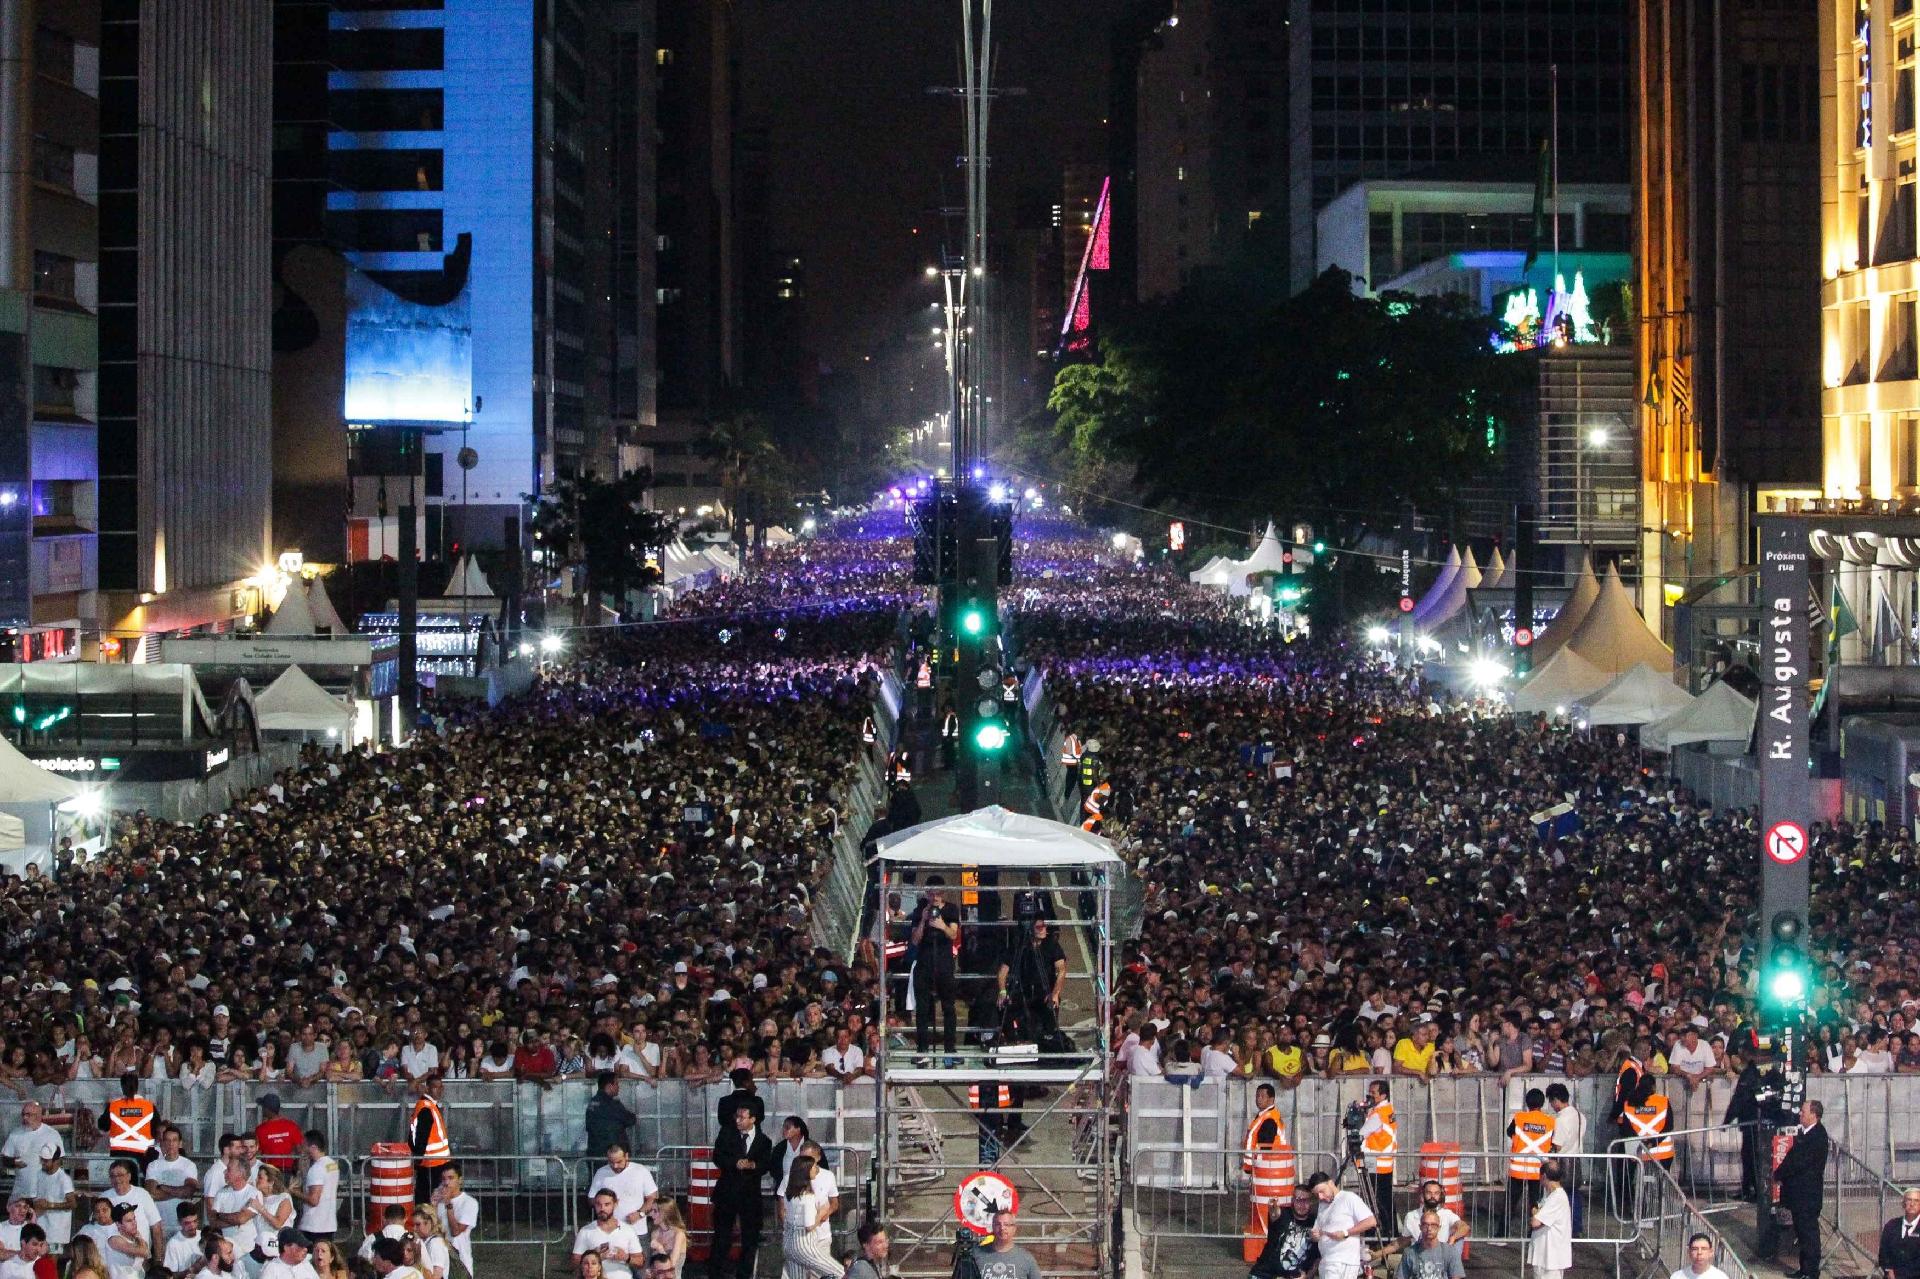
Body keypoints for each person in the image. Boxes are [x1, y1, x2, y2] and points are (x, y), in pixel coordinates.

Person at [710, 1098, 773, 1279]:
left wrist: (753, 1165)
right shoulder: (726, 1134)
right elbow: (717, 1157)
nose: (738, 1120)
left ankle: (744, 1275)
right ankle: (715, 1273)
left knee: (750, 1240)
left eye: (742, 1117)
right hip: (727, 1193)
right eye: (736, 1117)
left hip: (750, 1197)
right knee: (721, 1237)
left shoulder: (764, 1141)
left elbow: (765, 1164)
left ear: (753, 1119)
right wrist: (734, 1163)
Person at [1774, 1099, 1829, 1279]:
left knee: (1809, 1235)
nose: (1800, 1114)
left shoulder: (1817, 1136)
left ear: (1814, 1115)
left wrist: (1780, 1174)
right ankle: (1804, 1269)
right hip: (1799, 1196)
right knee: (1802, 1234)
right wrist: (1779, 1173)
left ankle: (1811, 1272)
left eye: (1803, 1111)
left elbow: (1799, 1162)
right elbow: (1792, 1157)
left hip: (1808, 1196)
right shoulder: (1805, 1133)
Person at [1241, 1083, 1296, 1264]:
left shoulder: (1269, 1119)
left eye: (1262, 1096)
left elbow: (1264, 1146)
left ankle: (1272, 1248)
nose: (1258, 1099)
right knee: (1264, 1213)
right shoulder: (1265, 1116)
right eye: (1257, 1096)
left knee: (1269, 1214)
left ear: (1271, 1099)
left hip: (1268, 1173)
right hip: (1265, 1173)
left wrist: (1251, 1165)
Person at [911, 880, 961, 1062]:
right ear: (927, 894)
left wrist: (942, 925)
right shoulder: (920, 910)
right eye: (931, 894)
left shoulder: (951, 909)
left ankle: (950, 1050)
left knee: (948, 1007)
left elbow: (953, 934)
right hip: (924, 964)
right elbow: (915, 940)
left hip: (944, 964)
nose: (935, 897)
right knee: (922, 1009)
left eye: (938, 893)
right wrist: (923, 920)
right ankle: (922, 1050)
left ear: (943, 893)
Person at [776, 1156, 841, 1279]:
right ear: (805, 1171)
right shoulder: (808, 1197)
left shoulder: (789, 1194)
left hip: (789, 1244)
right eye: (814, 1167)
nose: (817, 1169)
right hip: (804, 1246)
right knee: (840, 1273)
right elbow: (809, 1226)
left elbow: (786, 1216)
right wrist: (821, 1213)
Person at [587, 1143, 657, 1256]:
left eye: (619, 1162)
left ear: (626, 1156)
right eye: (611, 1162)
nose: (615, 1166)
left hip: (637, 1231)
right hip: (609, 1233)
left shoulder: (641, 1171)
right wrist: (604, 1209)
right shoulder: (601, 1173)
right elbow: (592, 1199)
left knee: (639, 1265)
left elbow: (652, 1198)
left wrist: (640, 1214)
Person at [1308, 1173, 1376, 1279]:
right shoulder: (1322, 1205)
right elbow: (1316, 1231)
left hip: (1345, 1261)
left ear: (1331, 1183)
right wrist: (1314, 1235)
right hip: (1327, 1260)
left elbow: (1371, 1221)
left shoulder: (1349, 1198)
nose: (1320, 1196)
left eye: (1322, 1191)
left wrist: (1346, 1233)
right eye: (1317, 1194)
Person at [1507, 1087, 1554, 1231]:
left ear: (1527, 1103)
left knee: (1510, 1203)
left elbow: (1509, 1132)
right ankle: (1533, 1234)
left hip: (1517, 1170)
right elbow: (1552, 1141)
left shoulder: (1519, 1118)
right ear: (1542, 1103)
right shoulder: (1550, 1121)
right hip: (1538, 1170)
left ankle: (1502, 1233)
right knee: (1535, 1204)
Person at [1249, 1186, 1318, 1279]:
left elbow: (1317, 1257)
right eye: (1298, 1200)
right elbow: (1275, 1213)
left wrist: (1307, 1276)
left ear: (1311, 1202)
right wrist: (1273, 1206)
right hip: (1264, 1274)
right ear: (1292, 1200)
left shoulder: (1315, 1223)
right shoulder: (1283, 1214)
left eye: (1305, 1200)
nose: (1302, 1204)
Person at [147, 1125, 202, 1238]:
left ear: (180, 1143)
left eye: (174, 1140)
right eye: (167, 1140)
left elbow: (188, 1191)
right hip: (160, 1225)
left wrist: (163, 1187)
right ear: (162, 1143)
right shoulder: (153, 1166)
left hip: (183, 1226)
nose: (171, 1144)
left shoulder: (189, 1165)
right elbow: (152, 1193)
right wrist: (179, 1191)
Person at [573, 1191, 642, 1279]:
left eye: (607, 1204)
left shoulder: (628, 1230)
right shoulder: (585, 1231)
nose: (602, 1208)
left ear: (615, 1204)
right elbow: (574, 1262)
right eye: (598, 1204)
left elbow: (640, 1262)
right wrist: (596, 1257)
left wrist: (626, 1257)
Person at [1360, 1080, 1397, 1230]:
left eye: (1373, 1093)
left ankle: (1380, 1232)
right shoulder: (1388, 1109)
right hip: (1384, 1163)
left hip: (1375, 1163)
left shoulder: (1378, 1114)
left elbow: (1362, 1133)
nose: (1369, 1095)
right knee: (1386, 1201)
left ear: (1383, 1095)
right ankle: (1391, 1231)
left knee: (1375, 1202)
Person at [409, 1077, 451, 1206]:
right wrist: (417, 1161)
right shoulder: (426, 1108)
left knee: (430, 1199)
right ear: (427, 1088)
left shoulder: (429, 1106)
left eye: (441, 1087)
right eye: (435, 1087)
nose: (439, 1090)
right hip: (430, 1163)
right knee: (428, 1200)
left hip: (434, 1162)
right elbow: (420, 1137)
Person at [102, 1074, 158, 1170]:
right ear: (137, 1086)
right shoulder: (149, 1106)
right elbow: (156, 1129)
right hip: (144, 1154)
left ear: (122, 1087)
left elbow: (103, 1125)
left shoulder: (113, 1106)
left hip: (119, 1154)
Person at [1527, 1163, 1572, 1279]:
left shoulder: (1557, 1197)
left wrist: (1535, 1215)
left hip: (1551, 1258)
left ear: (1544, 1176)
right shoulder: (1549, 1195)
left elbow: (1535, 1222)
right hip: (1545, 1256)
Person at [967, 1209, 1040, 1279]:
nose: (1002, 1228)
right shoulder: (976, 1254)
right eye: (998, 1224)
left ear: (1014, 1228)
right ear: (993, 1227)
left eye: (1006, 1224)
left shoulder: (1026, 1258)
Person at [433, 1168, 478, 1279]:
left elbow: (456, 1231)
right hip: (441, 1258)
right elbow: (432, 1229)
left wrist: (448, 1204)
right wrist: (433, 1205)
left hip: (460, 1260)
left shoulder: (469, 1202)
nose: (446, 1183)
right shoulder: (440, 1202)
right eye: (444, 1179)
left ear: (460, 1180)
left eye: (451, 1178)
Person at [1395, 1210, 1464, 1279]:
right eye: (1425, 1225)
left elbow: (1456, 1277)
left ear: (1439, 1228)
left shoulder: (1450, 1252)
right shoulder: (1409, 1253)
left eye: (1433, 1225)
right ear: (1420, 1227)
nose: (1429, 1229)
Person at [299, 1131, 340, 1242]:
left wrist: (294, 1192)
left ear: (313, 1147)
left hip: (314, 1225)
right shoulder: (332, 1164)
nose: (301, 1149)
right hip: (329, 1223)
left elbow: (314, 1200)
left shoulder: (317, 1168)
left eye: (304, 1145)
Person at [585, 1074, 637, 1157]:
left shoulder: (592, 1102)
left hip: (594, 1153)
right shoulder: (612, 1104)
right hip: (613, 1155)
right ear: (610, 1086)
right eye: (616, 1084)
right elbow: (630, 1119)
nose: (618, 1087)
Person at [2, 1102, 62, 1171]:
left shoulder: (52, 1134)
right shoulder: (15, 1134)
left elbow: (60, 1161)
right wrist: (15, 1162)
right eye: (23, 1114)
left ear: (38, 1116)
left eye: (28, 1115)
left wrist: (46, 1165)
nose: (24, 1117)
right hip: (22, 1177)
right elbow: (5, 1160)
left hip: (46, 1176)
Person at [255, 1098, 304, 1174]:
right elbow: (300, 1150)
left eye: (263, 1107)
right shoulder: (292, 1126)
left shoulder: (260, 1130)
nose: (262, 1110)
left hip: (269, 1172)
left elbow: (256, 1152)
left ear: (267, 1109)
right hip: (288, 1171)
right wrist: (296, 1166)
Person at [1879, 1188, 1920, 1279]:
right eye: (1909, 1200)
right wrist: (1888, 1270)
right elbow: (1883, 1253)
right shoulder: (1891, 1225)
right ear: (1903, 1203)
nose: (1912, 1204)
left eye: (1916, 1201)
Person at [644, 1202, 687, 1279]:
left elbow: (671, 1265)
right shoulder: (655, 1233)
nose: (651, 1214)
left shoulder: (678, 1234)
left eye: (655, 1211)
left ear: (665, 1213)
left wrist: (660, 1248)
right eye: (651, 1211)